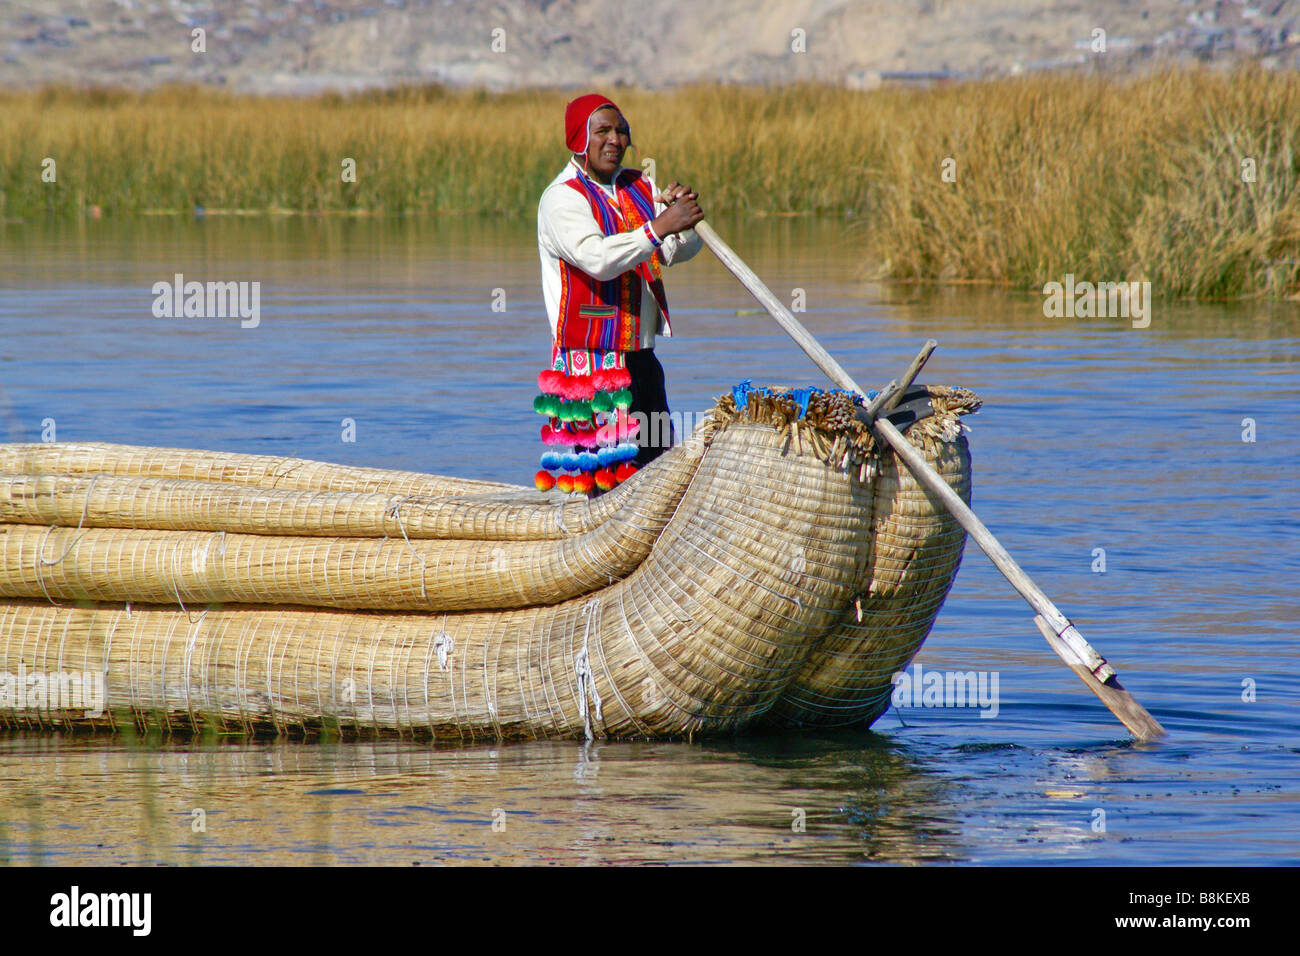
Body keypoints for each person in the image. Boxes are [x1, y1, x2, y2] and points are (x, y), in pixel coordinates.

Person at [532, 93, 705, 495]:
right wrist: (658, 227)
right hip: (590, 365)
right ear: (579, 139)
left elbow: (674, 252)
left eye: (621, 131)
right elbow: (597, 259)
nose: (615, 140)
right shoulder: (563, 198)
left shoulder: (639, 186)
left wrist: (683, 222)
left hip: (642, 361)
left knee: (658, 470)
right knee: (605, 476)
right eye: (602, 131)